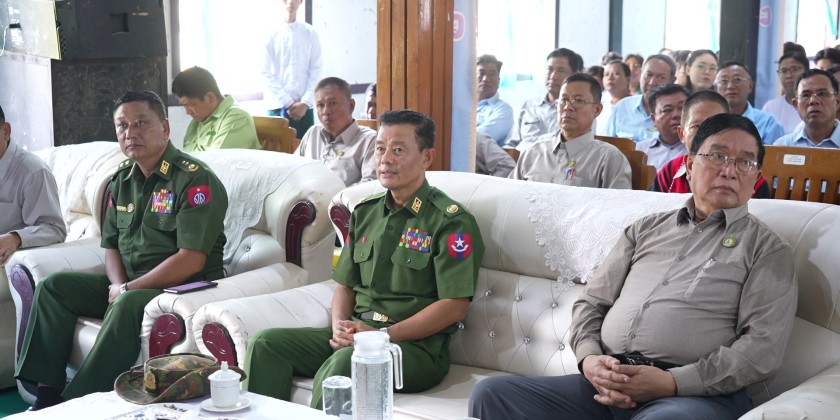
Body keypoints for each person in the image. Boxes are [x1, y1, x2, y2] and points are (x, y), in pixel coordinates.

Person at [470, 113, 797, 420]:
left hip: (694, 396)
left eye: (745, 162)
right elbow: (591, 303)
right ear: (689, 164)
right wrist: (590, 361)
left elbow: (761, 350)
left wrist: (672, 382)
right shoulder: (645, 230)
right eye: (718, 156)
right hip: (606, 381)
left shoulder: (767, 249)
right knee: (492, 394)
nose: (730, 170)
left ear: (756, 178)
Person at [243, 109, 484, 409]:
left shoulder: (450, 222)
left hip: (415, 350)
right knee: (266, 345)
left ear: (426, 157)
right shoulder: (365, 212)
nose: (385, 159)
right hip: (360, 333)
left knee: (349, 361)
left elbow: (454, 306)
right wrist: (339, 327)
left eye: (398, 150)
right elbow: (344, 286)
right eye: (380, 148)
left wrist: (381, 336)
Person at [14, 91, 228, 409]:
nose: (131, 133)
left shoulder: (194, 181)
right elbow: (111, 244)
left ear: (166, 128)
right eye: (122, 126)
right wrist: (117, 284)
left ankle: (80, 403)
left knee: (127, 301)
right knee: (54, 286)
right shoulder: (121, 181)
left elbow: (192, 259)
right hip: (132, 285)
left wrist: (128, 288)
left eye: (141, 122)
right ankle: (45, 393)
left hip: (181, 289)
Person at [509, 73, 631, 189]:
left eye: (578, 101)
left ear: (597, 110)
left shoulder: (608, 158)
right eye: (563, 100)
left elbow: (618, 208)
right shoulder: (534, 151)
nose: (567, 107)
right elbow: (510, 196)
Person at [650, 90, 770, 198]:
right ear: (682, 134)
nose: (706, 134)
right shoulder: (670, 171)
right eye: (696, 126)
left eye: (715, 127)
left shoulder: (748, 174)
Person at [0, 105, 66, 267]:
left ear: (6, 131)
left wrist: (15, 238)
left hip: (11, 265)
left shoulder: (33, 172)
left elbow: (54, 228)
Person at [295, 77, 377, 186]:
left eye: (332, 103)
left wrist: (334, 197)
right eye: (320, 105)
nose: (326, 111)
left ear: (351, 106)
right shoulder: (313, 133)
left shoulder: (369, 140)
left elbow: (370, 185)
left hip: (342, 201)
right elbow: (293, 170)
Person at [262, 0, 322, 136]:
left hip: (305, 109)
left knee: (305, 152)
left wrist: (305, 102)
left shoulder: (310, 33)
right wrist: (288, 102)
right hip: (277, 107)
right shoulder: (270, 34)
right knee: (276, 154)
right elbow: (264, 73)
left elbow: (316, 70)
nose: (290, 2)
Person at [506, 48, 583, 151]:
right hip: (522, 162)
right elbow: (512, 143)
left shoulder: (578, 110)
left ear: (573, 75)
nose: (553, 76)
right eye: (549, 69)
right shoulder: (529, 106)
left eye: (561, 71)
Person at [172, 66, 260, 152]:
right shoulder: (199, 120)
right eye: (184, 106)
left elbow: (217, 162)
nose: (187, 112)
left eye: (190, 104)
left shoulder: (237, 118)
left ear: (210, 98)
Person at [605, 54, 677, 142]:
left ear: (672, 81)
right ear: (641, 74)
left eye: (661, 77)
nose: (652, 82)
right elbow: (605, 143)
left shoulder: (678, 113)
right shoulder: (623, 106)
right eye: (648, 75)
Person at [714, 62, 784, 144]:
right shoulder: (710, 121)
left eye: (737, 80)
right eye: (723, 81)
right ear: (716, 88)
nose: (730, 86)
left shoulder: (769, 124)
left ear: (750, 86)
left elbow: (775, 156)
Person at [775, 68, 840, 148]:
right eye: (806, 95)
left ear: (837, 102)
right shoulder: (782, 146)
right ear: (796, 105)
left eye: (822, 94)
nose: (813, 101)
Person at [635, 84, 688, 170]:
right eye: (667, 110)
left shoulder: (700, 150)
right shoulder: (640, 151)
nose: (676, 115)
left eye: (681, 108)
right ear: (653, 119)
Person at [761, 52, 808, 134]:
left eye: (794, 69)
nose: (789, 75)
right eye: (784, 71)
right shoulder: (770, 107)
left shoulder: (816, 104)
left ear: (807, 71)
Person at [476, 54, 514, 145]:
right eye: (481, 73)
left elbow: (483, 137)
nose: (485, 79)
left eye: (491, 74)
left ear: (499, 81)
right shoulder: (462, 105)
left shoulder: (504, 109)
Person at [596, 60, 631, 135]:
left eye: (616, 73)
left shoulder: (633, 105)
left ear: (628, 80)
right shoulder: (600, 104)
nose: (610, 77)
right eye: (606, 74)